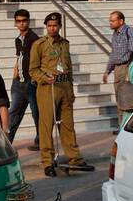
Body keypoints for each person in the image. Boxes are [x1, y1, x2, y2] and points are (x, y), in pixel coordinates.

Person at [30, 12, 93, 177]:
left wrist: (71, 89)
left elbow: (69, 67)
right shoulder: (39, 44)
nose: (52, 28)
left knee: (67, 124)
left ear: (59, 26)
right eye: (49, 25)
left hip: (64, 85)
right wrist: (44, 77)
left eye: (55, 25)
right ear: (46, 26)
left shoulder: (65, 43)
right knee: (46, 125)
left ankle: (75, 158)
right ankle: (47, 161)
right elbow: (33, 70)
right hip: (48, 87)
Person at [7, 9, 40, 150]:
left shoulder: (35, 39)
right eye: (19, 21)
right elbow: (19, 58)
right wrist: (15, 73)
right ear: (15, 23)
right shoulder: (18, 39)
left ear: (28, 21)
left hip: (31, 83)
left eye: (24, 20)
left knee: (36, 113)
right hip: (19, 82)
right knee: (13, 112)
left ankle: (41, 142)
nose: (21, 23)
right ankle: (6, 143)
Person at [102, 10, 133, 118]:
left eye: (113, 21)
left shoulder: (130, 31)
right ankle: (121, 124)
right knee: (119, 97)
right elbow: (113, 54)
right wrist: (107, 71)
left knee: (128, 97)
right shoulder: (115, 35)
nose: (110, 23)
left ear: (121, 21)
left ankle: (129, 123)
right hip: (118, 69)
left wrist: (130, 69)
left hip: (127, 67)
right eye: (110, 21)